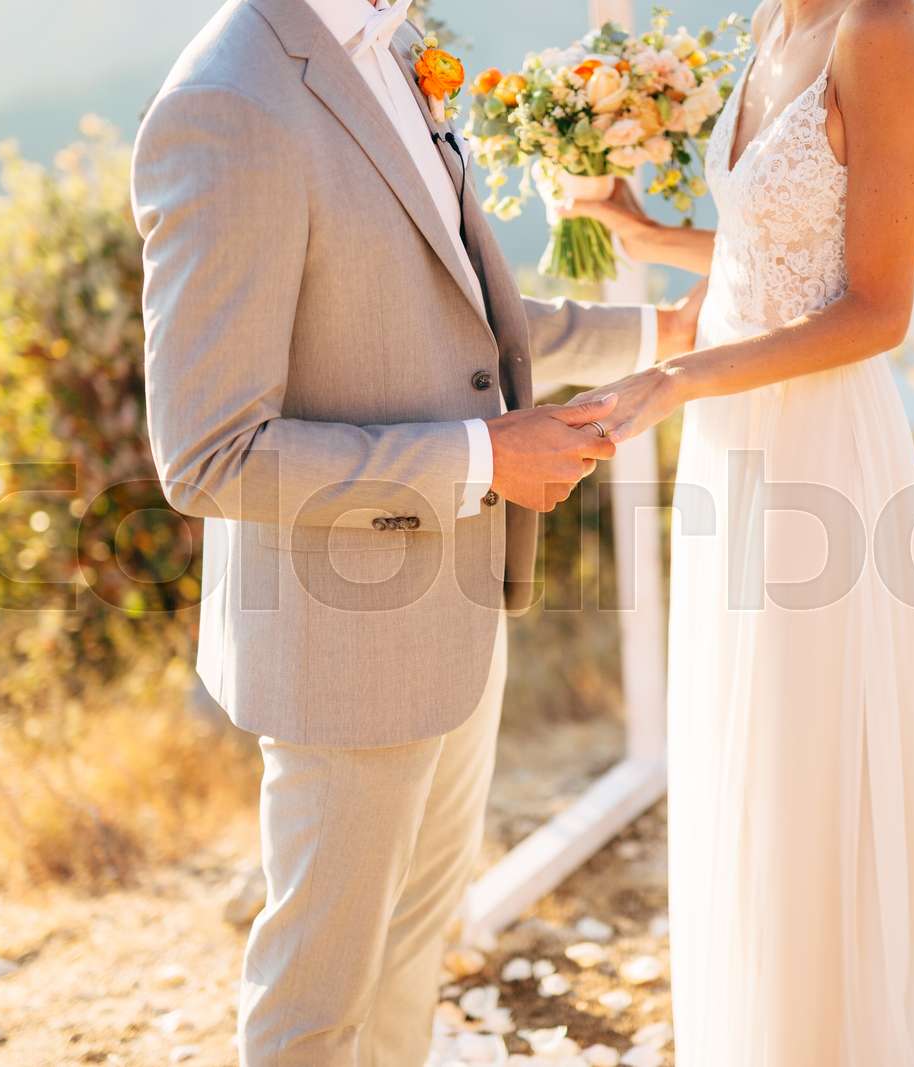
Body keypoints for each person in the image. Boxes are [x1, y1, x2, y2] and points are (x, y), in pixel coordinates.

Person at [130, 0, 699, 1062]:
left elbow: (455, 311)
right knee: (316, 1006)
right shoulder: (228, 104)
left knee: (409, 954)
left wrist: (657, 333)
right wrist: (486, 461)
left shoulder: (388, 48)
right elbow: (209, 453)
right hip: (340, 652)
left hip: (455, 613)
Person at [559, 0, 914, 1061]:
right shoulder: (767, 22)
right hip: (732, 440)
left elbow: (876, 307)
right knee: (744, 745)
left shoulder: (880, 34)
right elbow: (767, 246)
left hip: (819, 445)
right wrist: (644, 233)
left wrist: (676, 375)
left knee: (812, 747)